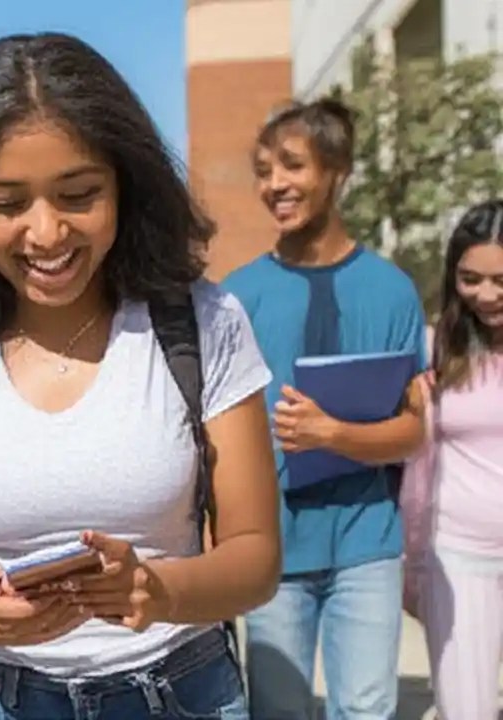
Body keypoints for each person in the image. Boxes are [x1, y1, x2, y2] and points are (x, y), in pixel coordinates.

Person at [0, 32, 281, 720]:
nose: (46, 233)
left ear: (126, 183)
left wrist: (157, 590)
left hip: (180, 693)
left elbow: (256, 555)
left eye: (78, 193)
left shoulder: (205, 324)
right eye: (7, 203)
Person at [223, 99, 429, 719]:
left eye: (291, 165)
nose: (274, 184)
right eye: (264, 170)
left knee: (367, 709)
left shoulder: (393, 290)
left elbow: (413, 431)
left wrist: (332, 433)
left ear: (337, 170)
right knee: (279, 713)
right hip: (273, 549)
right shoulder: (236, 297)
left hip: (367, 544)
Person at [400, 199, 503, 720]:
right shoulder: (433, 351)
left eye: (500, 281)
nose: (485, 295)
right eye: (470, 279)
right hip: (459, 561)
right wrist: (410, 565)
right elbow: (415, 468)